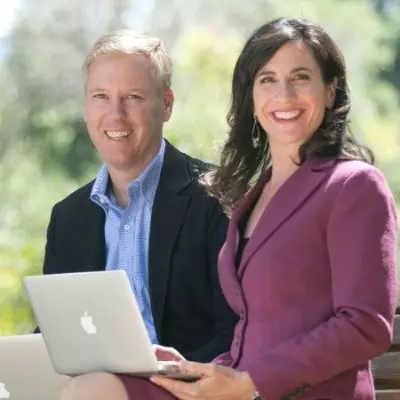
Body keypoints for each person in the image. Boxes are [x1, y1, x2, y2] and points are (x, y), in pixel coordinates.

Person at [58, 17, 398, 400]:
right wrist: (188, 367)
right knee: (91, 389)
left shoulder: (355, 185)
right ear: (251, 98)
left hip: (291, 392)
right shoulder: (253, 197)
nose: (283, 94)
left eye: (300, 77)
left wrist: (250, 381)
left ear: (330, 91)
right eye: (267, 79)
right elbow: (250, 331)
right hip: (235, 387)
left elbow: (366, 325)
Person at [40, 29, 237, 363]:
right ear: (86, 106)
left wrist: (173, 376)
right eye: (101, 96)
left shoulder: (216, 197)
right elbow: (59, 337)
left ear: (167, 105)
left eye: (133, 97)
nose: (115, 114)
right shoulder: (68, 218)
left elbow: (237, 333)